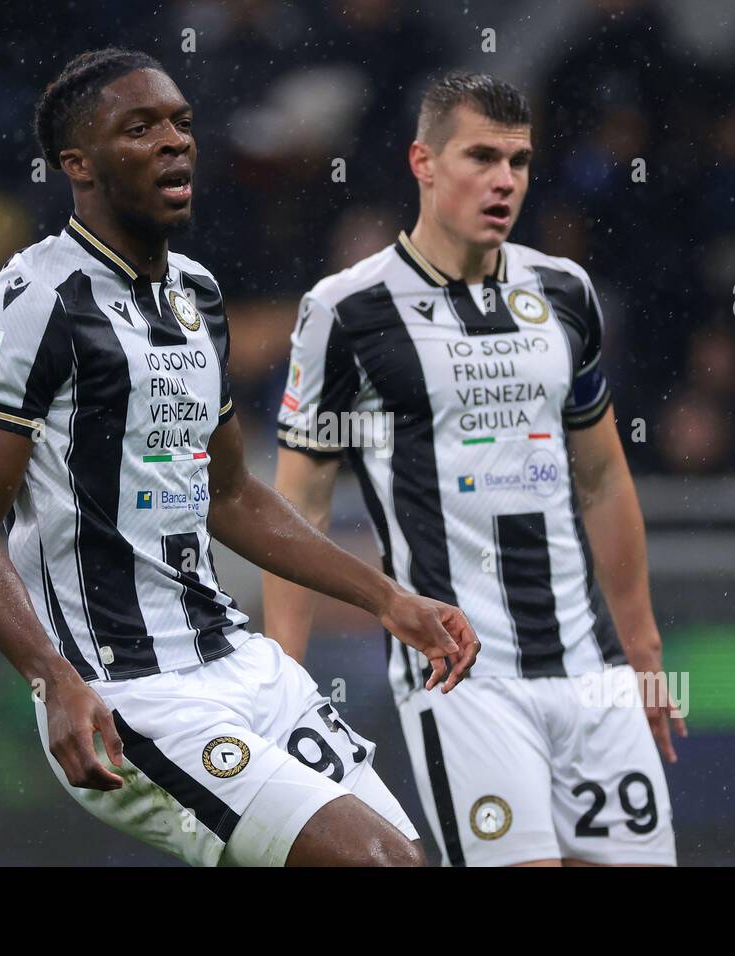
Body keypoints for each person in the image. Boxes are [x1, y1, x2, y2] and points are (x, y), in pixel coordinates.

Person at [0, 48, 478, 868]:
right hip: (127, 693)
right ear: (78, 164)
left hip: (240, 662)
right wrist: (51, 678)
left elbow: (231, 496)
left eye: (182, 124)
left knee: (409, 861)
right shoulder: (35, 302)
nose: (173, 142)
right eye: (140, 128)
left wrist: (388, 599)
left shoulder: (196, 297)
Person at [266, 72, 682, 866]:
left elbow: (601, 479)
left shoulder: (564, 291)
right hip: (463, 677)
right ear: (423, 161)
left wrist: (644, 652)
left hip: (590, 669)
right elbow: (300, 510)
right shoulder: (346, 312)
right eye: (481, 156)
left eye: (519, 162)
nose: (504, 181)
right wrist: (284, 681)